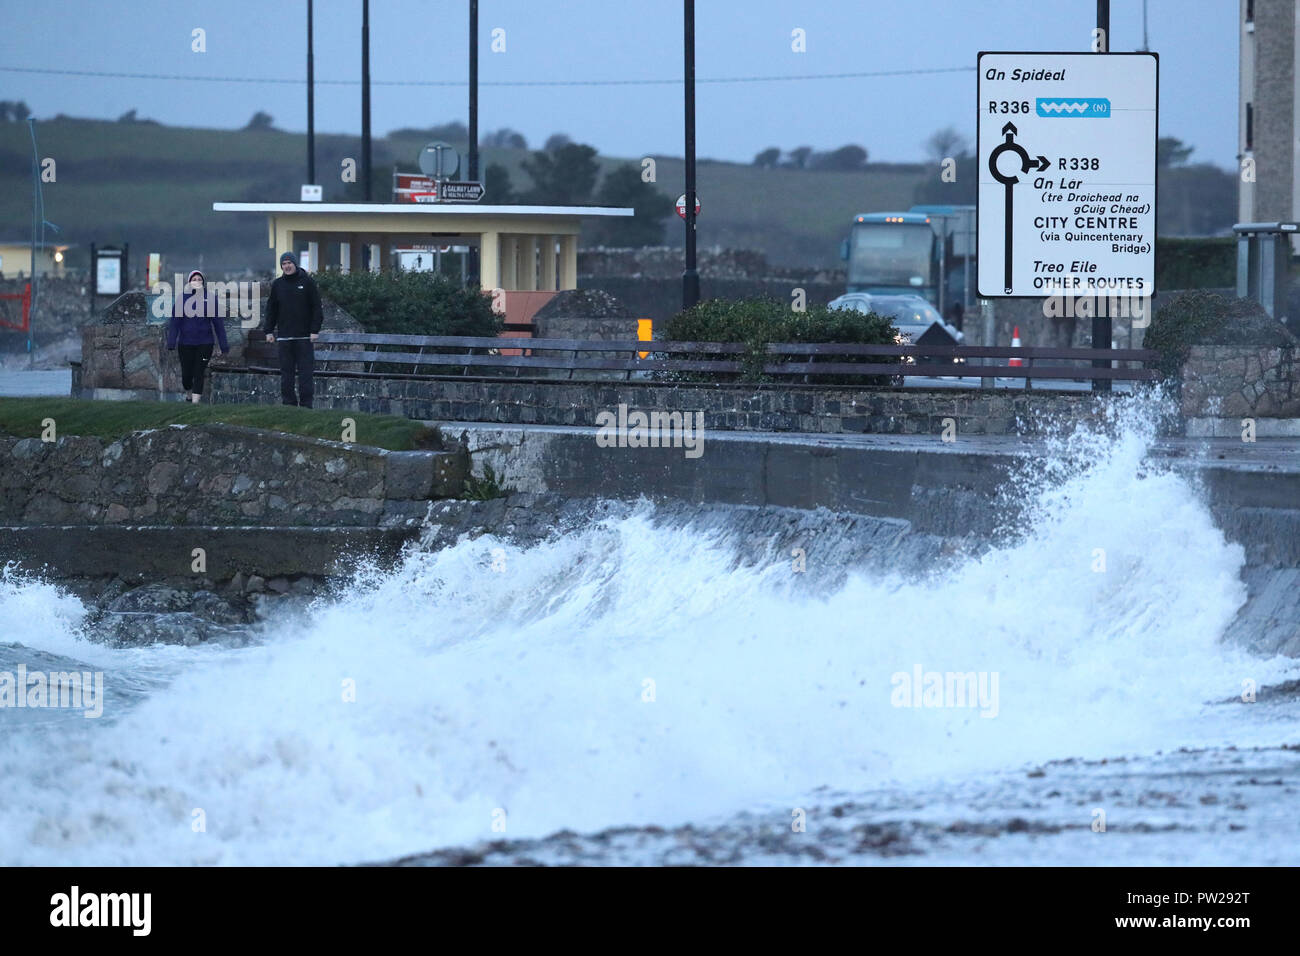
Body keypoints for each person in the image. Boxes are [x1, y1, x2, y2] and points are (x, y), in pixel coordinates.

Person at [263, 251, 324, 408]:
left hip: (304, 338)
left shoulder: (308, 282)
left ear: (295, 264)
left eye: (289, 263)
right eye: (284, 264)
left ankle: (306, 406)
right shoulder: (277, 285)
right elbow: (272, 309)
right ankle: (289, 405)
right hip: (284, 338)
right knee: (286, 375)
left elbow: (317, 307)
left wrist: (314, 330)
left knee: (305, 375)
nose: (287, 266)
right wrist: (268, 330)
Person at [166, 270, 229, 403]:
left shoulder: (210, 298)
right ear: (189, 283)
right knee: (187, 376)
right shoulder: (182, 299)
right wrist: (171, 342)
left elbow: (218, 323)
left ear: (203, 282)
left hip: (205, 343)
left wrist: (224, 345)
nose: (197, 281)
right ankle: (189, 395)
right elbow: (175, 323)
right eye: (194, 279)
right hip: (185, 344)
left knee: (199, 372)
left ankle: (195, 405)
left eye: (199, 279)